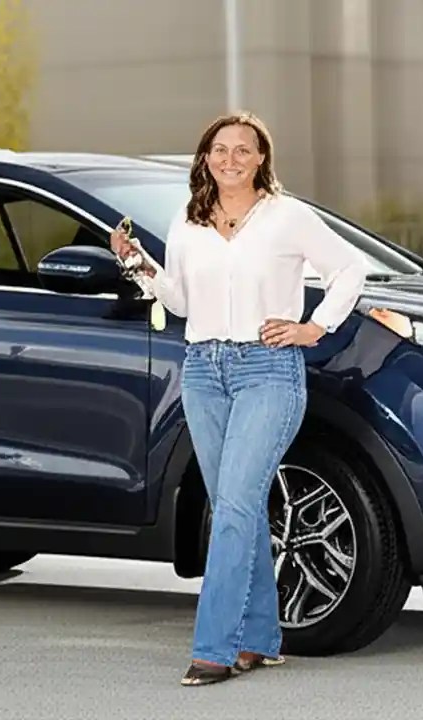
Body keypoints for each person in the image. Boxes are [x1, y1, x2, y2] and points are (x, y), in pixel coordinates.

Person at [110, 112, 367, 686]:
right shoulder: (188, 220)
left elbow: (350, 268)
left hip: (268, 369)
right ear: (205, 158)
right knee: (237, 505)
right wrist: (138, 264)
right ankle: (258, 639)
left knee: (231, 508)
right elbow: (179, 301)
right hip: (203, 371)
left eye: (242, 150)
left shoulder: (286, 216)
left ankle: (213, 648)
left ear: (260, 159)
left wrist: (314, 326)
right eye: (219, 149)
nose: (230, 159)